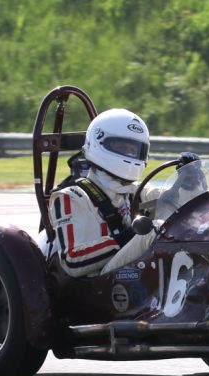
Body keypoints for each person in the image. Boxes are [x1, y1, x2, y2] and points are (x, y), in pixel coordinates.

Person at [47, 108, 197, 277]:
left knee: (179, 219)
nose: (129, 154)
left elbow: (184, 205)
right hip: (98, 284)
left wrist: (189, 179)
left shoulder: (135, 191)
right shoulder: (72, 196)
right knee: (154, 229)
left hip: (134, 279)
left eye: (133, 150)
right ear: (99, 143)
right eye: (121, 147)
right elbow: (73, 260)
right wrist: (128, 236)